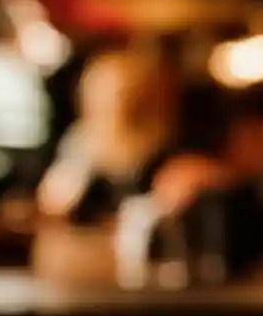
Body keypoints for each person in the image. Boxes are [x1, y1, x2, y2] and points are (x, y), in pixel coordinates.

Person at [37, 47, 174, 223]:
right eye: (98, 91)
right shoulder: (82, 139)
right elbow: (53, 202)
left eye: (113, 92)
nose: (103, 100)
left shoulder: (160, 142)